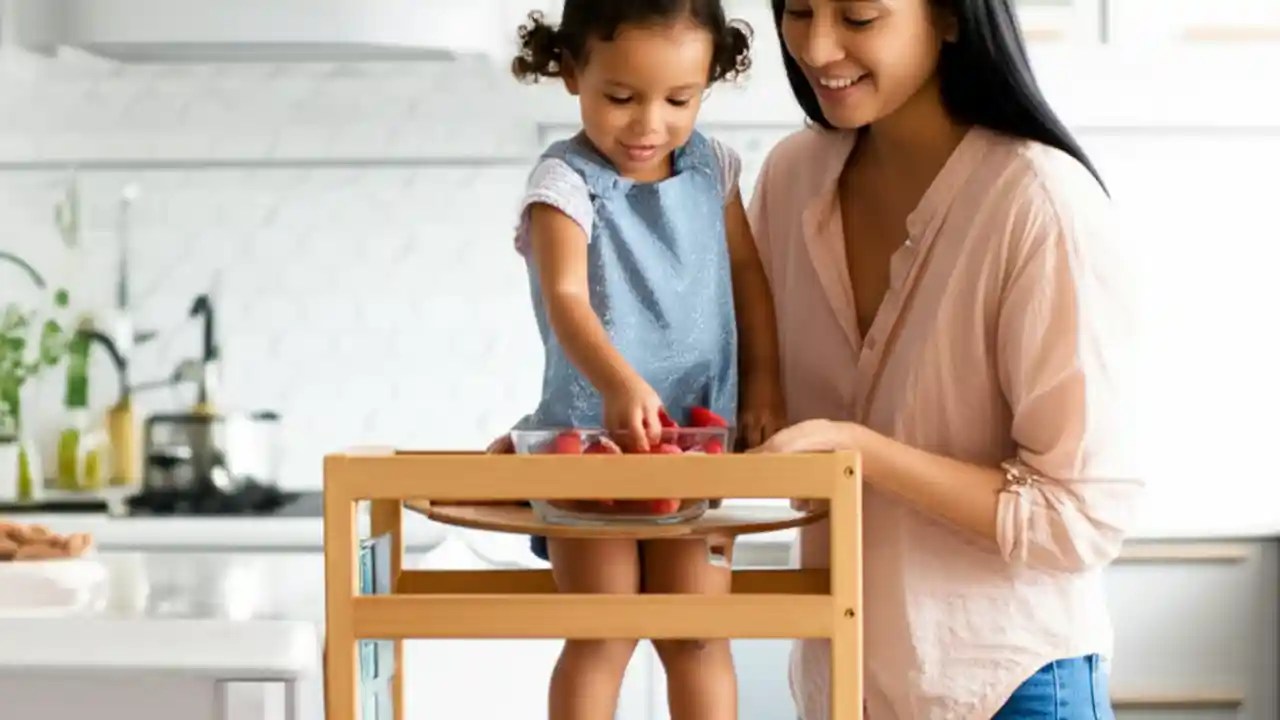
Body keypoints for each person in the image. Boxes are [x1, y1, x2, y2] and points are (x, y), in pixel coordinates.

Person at [745, 0, 1143, 718]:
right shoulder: (790, 178)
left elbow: (1080, 517)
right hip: (843, 688)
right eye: (798, 10)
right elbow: (740, 395)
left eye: (859, 17)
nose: (817, 46)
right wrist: (568, 440)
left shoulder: (1037, 202)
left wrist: (863, 454)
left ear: (953, 17)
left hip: (1011, 685)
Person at [491, 2, 787, 718]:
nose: (650, 124)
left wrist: (766, 385)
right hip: (589, 445)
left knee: (697, 638)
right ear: (570, 72)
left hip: (698, 441)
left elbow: (749, 277)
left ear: (709, 83)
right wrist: (619, 383)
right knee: (604, 634)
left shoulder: (712, 167)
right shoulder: (562, 182)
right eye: (621, 98)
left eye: (679, 100)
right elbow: (566, 297)